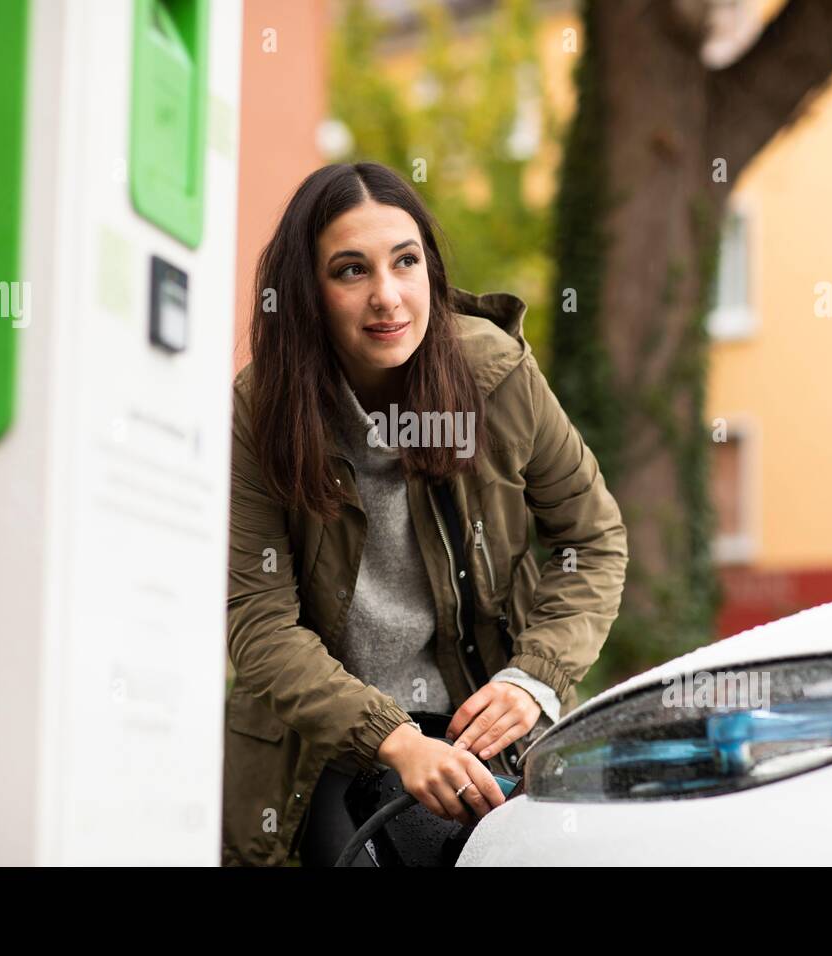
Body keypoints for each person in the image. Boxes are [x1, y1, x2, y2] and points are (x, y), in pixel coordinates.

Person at [223, 161, 628, 867]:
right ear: (307, 293)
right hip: (322, 751)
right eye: (351, 271)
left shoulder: (495, 376)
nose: (387, 296)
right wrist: (395, 738)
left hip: (482, 732)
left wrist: (534, 676)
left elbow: (592, 539)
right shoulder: (261, 411)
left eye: (405, 261)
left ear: (430, 272)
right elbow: (260, 627)